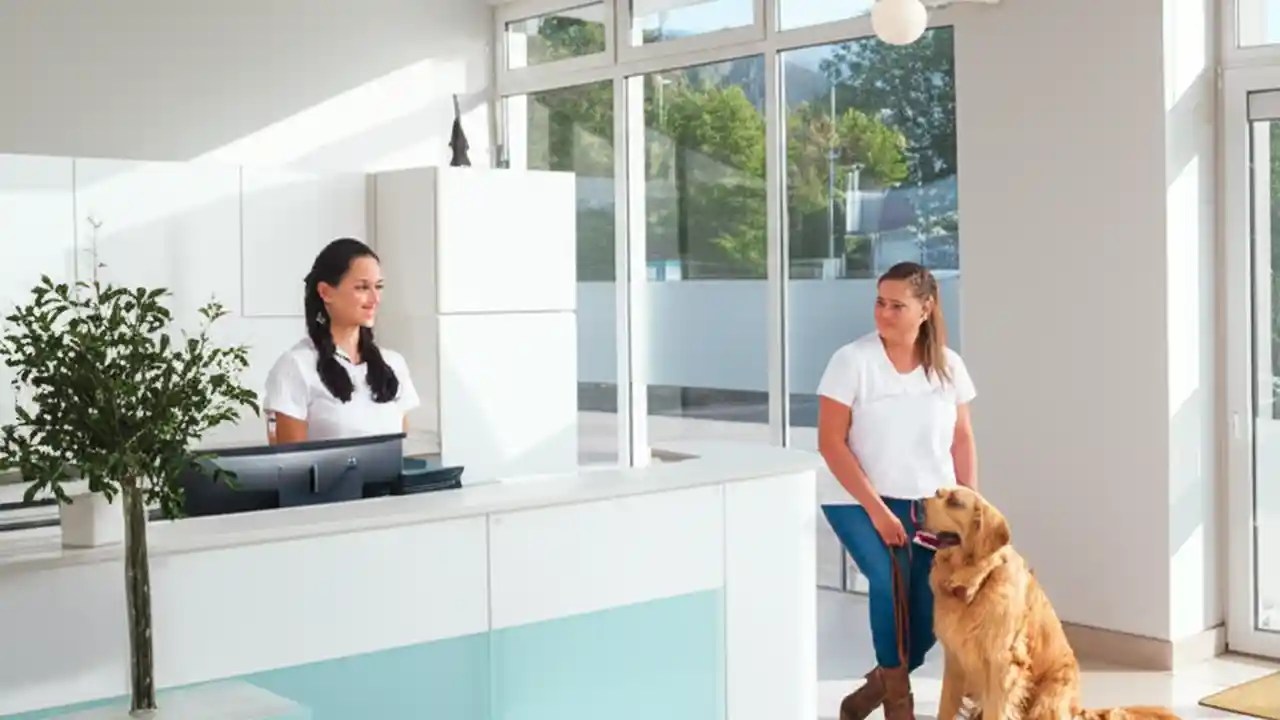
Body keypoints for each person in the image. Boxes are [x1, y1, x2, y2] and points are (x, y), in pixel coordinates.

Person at [816, 261, 978, 720]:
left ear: (925, 309)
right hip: (856, 499)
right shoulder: (852, 361)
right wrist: (879, 512)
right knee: (890, 583)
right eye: (879, 302)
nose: (883, 313)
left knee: (931, 610)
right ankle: (898, 706)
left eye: (896, 305)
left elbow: (962, 438)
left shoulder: (950, 367)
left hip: (930, 504)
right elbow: (830, 442)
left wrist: (971, 510)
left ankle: (874, 690)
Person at [264, 237, 419, 444]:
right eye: (362, 288)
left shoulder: (393, 364)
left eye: (378, 286)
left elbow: (401, 455)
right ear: (326, 292)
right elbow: (291, 466)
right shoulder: (296, 366)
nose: (375, 299)